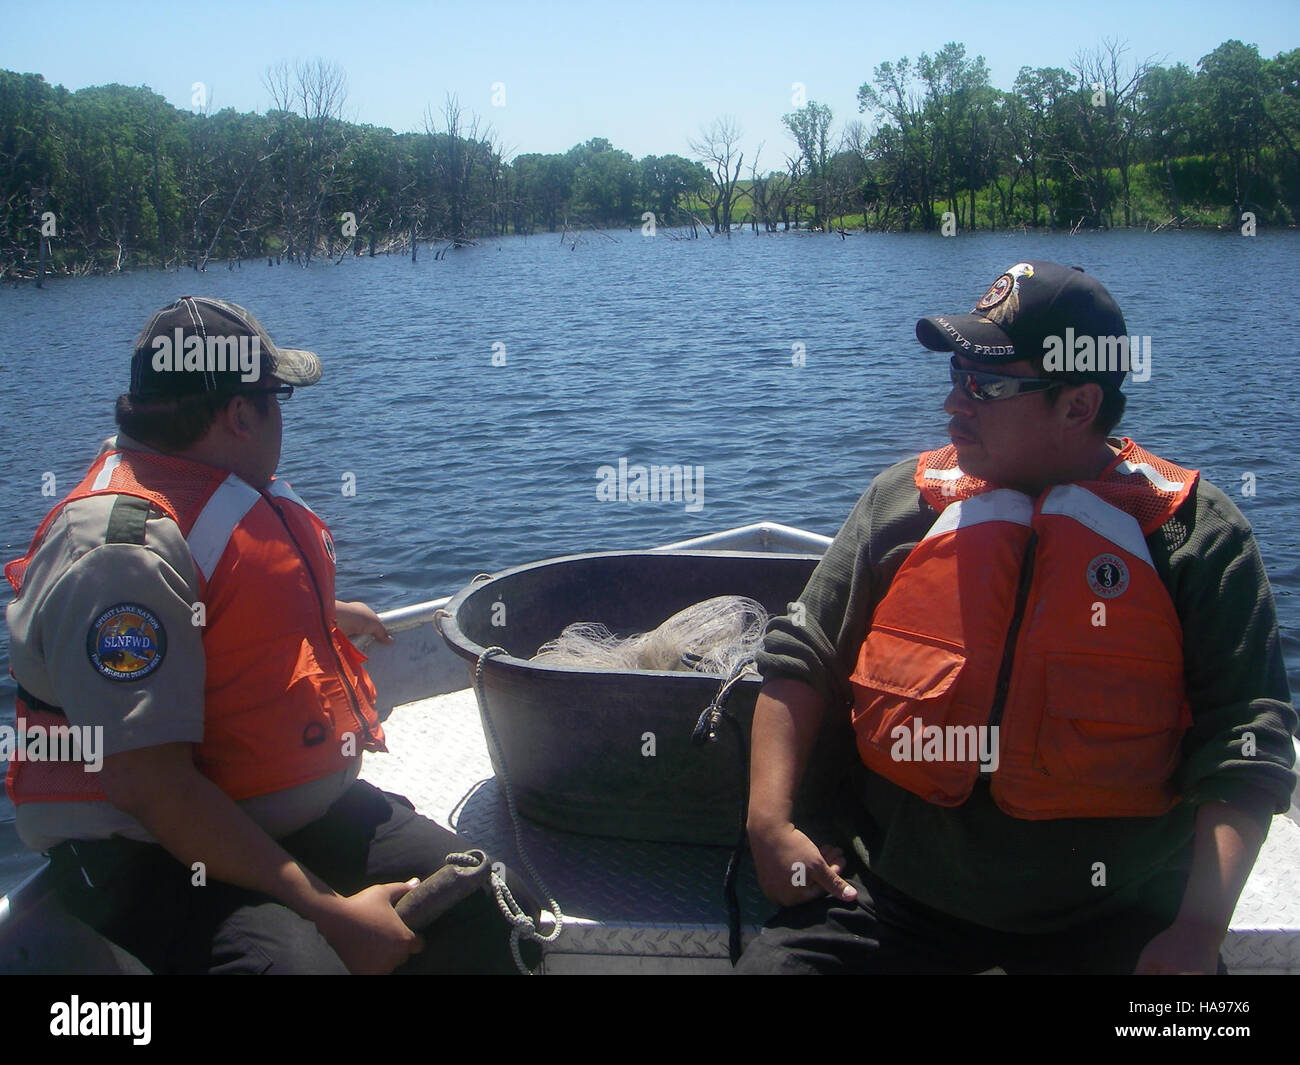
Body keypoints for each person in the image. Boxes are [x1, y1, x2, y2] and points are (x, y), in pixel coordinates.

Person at [739, 261, 1296, 975]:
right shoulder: (900, 504)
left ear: (1078, 404)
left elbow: (1246, 743)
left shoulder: (1198, 539)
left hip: (1115, 923)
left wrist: (1196, 928)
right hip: (885, 906)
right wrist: (768, 823)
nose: (953, 404)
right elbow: (800, 657)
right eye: (955, 376)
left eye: (986, 385)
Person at [5, 296, 535, 974]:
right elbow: (154, 788)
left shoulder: (202, 487)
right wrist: (333, 914)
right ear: (240, 414)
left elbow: (210, 611)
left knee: (493, 903)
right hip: (147, 852)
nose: (285, 418)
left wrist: (318, 612)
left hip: (272, 816)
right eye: (278, 397)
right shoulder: (117, 554)